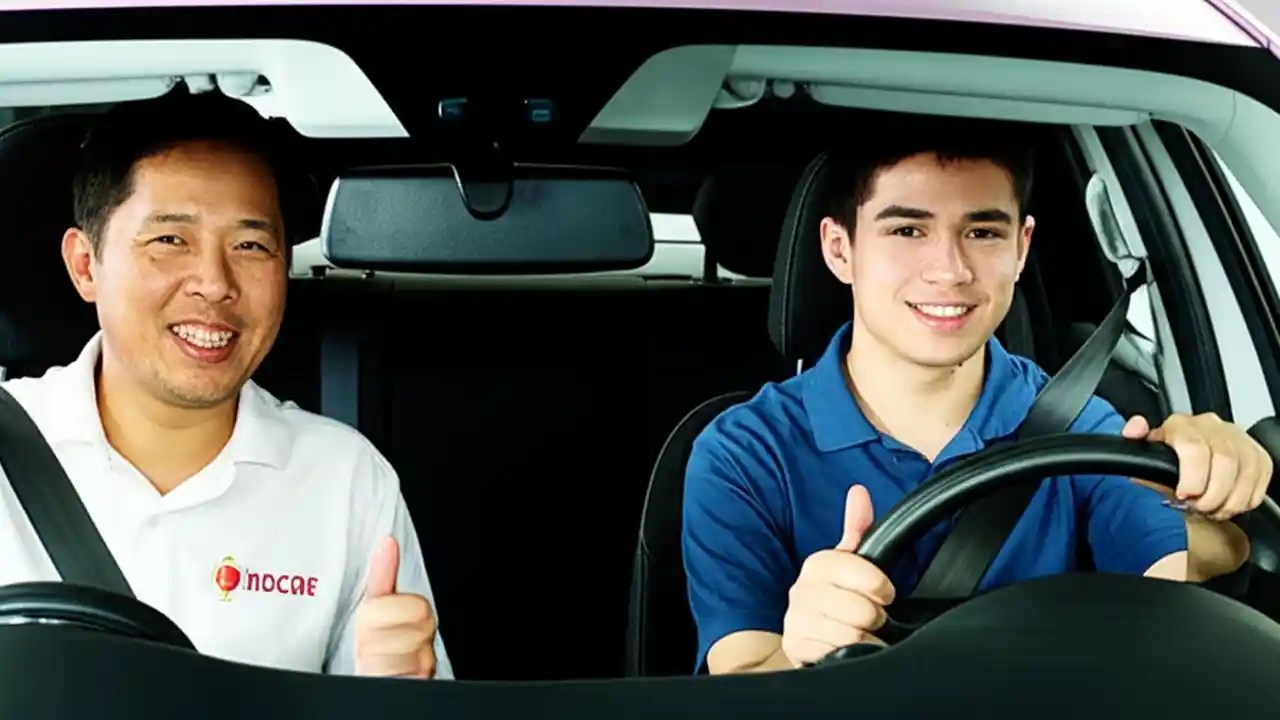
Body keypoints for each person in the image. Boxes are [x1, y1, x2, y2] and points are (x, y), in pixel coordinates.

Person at [682, 128, 1271, 675]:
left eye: (982, 232)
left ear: (1021, 248)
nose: (950, 270)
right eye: (907, 230)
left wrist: (1212, 490)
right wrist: (802, 648)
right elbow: (737, 680)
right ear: (839, 249)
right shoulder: (744, 452)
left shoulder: (1078, 427)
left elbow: (1170, 573)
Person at [0, 88, 451, 679]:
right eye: (170, 240)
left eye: (250, 245)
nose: (214, 283)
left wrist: (396, 698)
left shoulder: (344, 480)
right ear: (86, 264)